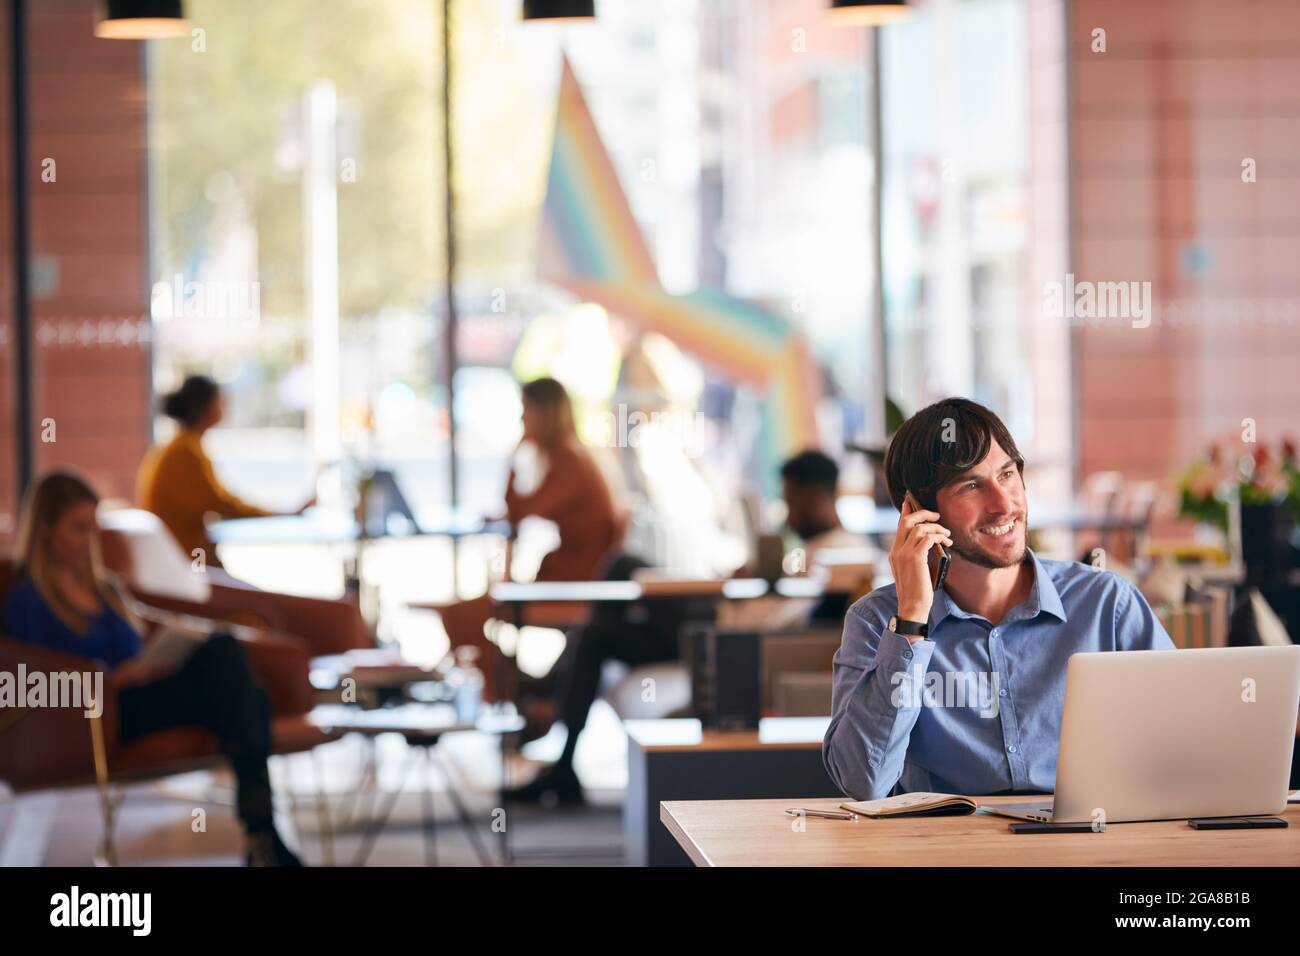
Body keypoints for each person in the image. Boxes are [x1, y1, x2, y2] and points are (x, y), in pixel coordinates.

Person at [822, 398, 1175, 801]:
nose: (1003, 504)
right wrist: (912, 623)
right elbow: (862, 784)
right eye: (971, 486)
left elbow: (1180, 749)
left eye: (1007, 474)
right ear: (918, 511)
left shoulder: (1107, 605)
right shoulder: (876, 621)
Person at [507, 450, 865, 806]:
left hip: (725, 636)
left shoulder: (843, 553)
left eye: (791, 502)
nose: (787, 514)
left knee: (625, 564)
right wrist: (747, 581)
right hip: (715, 626)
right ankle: (564, 763)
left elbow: (782, 620)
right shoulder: (813, 548)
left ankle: (543, 695)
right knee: (598, 631)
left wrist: (743, 596)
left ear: (816, 496)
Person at [2, 471, 302, 865]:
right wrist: (109, 683)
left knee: (231, 665)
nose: (89, 541)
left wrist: (156, 661)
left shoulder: (104, 588)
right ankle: (262, 833)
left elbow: (139, 639)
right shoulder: (27, 601)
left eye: (93, 528)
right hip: (97, 716)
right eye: (78, 529)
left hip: (144, 695)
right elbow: (29, 683)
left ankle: (260, 832)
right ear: (45, 529)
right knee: (246, 690)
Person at [438, 377, 621, 698]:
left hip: (572, 588)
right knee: (466, 610)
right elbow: (520, 512)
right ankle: (521, 691)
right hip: (568, 579)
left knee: (461, 613)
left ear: (544, 413)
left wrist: (517, 451)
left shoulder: (570, 461)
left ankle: (510, 695)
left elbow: (518, 511)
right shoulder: (572, 457)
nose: (522, 420)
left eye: (526, 412)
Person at [136, 375, 310, 568]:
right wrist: (285, 513)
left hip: (183, 556)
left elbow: (218, 502)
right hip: (184, 561)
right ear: (205, 407)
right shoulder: (184, 453)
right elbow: (223, 504)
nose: (224, 406)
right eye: (220, 401)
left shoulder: (180, 446)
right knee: (256, 595)